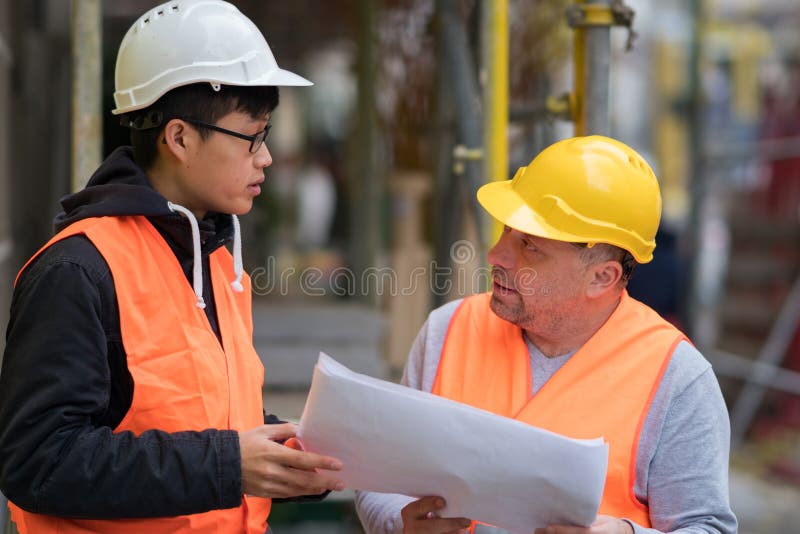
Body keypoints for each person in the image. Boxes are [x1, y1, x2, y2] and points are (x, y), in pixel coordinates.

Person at [0, 1, 344, 533]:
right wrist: (229, 465)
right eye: (252, 137)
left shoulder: (214, 259)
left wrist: (293, 452)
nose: (267, 157)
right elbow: (39, 461)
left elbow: (205, 422)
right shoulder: (77, 271)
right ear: (180, 137)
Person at [355, 136, 738, 534]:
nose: (496, 255)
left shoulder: (676, 378)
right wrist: (400, 524)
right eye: (505, 231)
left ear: (600, 276)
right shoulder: (448, 330)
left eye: (530, 247)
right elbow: (380, 479)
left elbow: (707, 526)